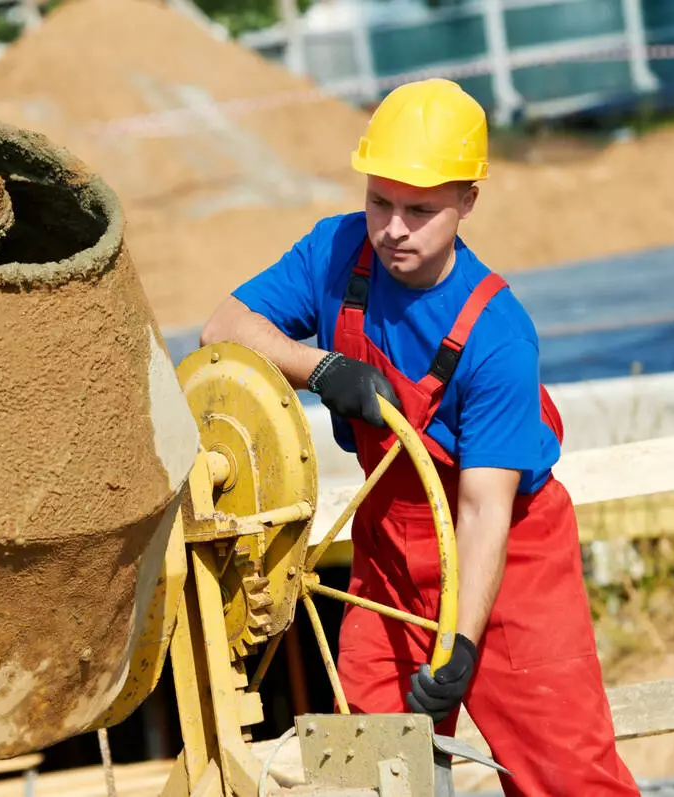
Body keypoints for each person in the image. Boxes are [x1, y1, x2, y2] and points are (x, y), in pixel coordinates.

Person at [200, 78, 639, 796]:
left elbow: (484, 511)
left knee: (567, 776)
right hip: (389, 560)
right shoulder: (336, 250)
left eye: (420, 210)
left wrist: (461, 644)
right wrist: (324, 368)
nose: (393, 228)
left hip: (507, 563)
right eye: (380, 201)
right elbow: (223, 329)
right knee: (370, 772)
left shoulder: (498, 336)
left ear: (468, 201)